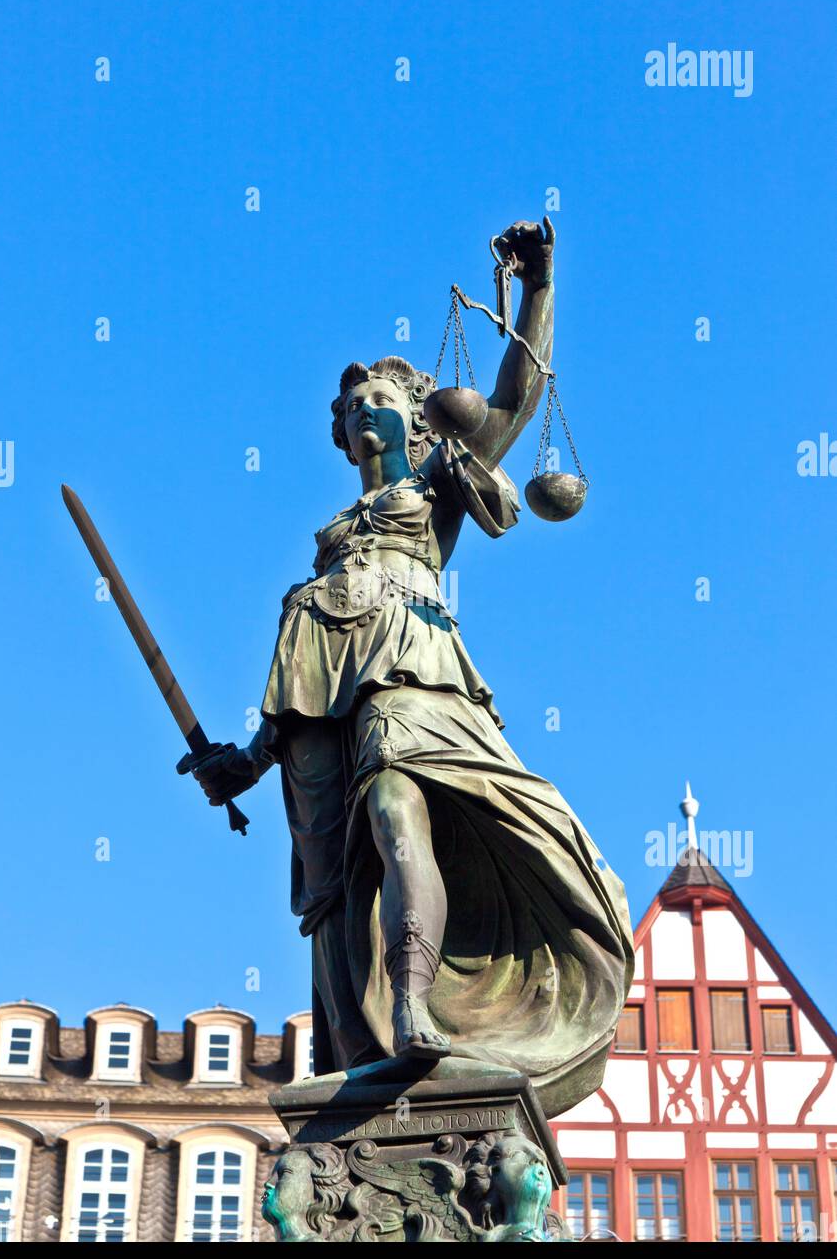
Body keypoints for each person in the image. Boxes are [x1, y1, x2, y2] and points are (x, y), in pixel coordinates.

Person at [187, 219, 634, 1112]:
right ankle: (367, 1040)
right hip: (323, 722)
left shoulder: (429, 489)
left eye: (381, 399)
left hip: (413, 676)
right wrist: (243, 760)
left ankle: (419, 1003)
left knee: (399, 808)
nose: (363, 412)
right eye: (351, 408)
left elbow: (510, 403)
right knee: (339, 892)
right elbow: (304, 688)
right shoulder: (332, 545)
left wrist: (539, 287)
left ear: (414, 413)